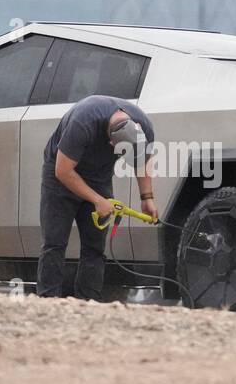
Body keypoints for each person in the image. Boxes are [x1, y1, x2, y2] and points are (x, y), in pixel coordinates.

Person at [37, 95, 157, 299]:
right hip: (60, 174)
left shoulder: (143, 127)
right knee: (54, 242)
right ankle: (48, 301)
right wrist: (97, 200)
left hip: (99, 177)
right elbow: (63, 171)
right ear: (111, 141)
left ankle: (88, 302)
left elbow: (142, 161)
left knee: (95, 246)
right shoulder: (83, 122)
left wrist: (147, 197)